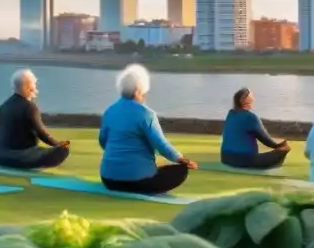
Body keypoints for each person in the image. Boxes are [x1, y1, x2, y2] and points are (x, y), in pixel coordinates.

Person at [98, 63, 196, 195]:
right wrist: (181, 159)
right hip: (138, 182)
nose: (144, 95)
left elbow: (103, 142)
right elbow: (161, 145)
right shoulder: (146, 114)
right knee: (181, 171)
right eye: (144, 92)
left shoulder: (109, 111)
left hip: (108, 180)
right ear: (138, 90)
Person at [0, 69, 70, 169]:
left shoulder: (3, 106)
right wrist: (59, 145)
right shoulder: (30, 107)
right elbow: (42, 133)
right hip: (21, 156)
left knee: (39, 150)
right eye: (34, 84)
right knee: (61, 150)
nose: (35, 88)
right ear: (27, 87)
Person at [220, 87, 290, 169]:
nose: (254, 99)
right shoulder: (250, 117)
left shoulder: (230, 114)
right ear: (246, 101)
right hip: (244, 160)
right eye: (252, 96)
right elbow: (267, 141)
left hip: (225, 158)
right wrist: (280, 145)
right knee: (285, 148)